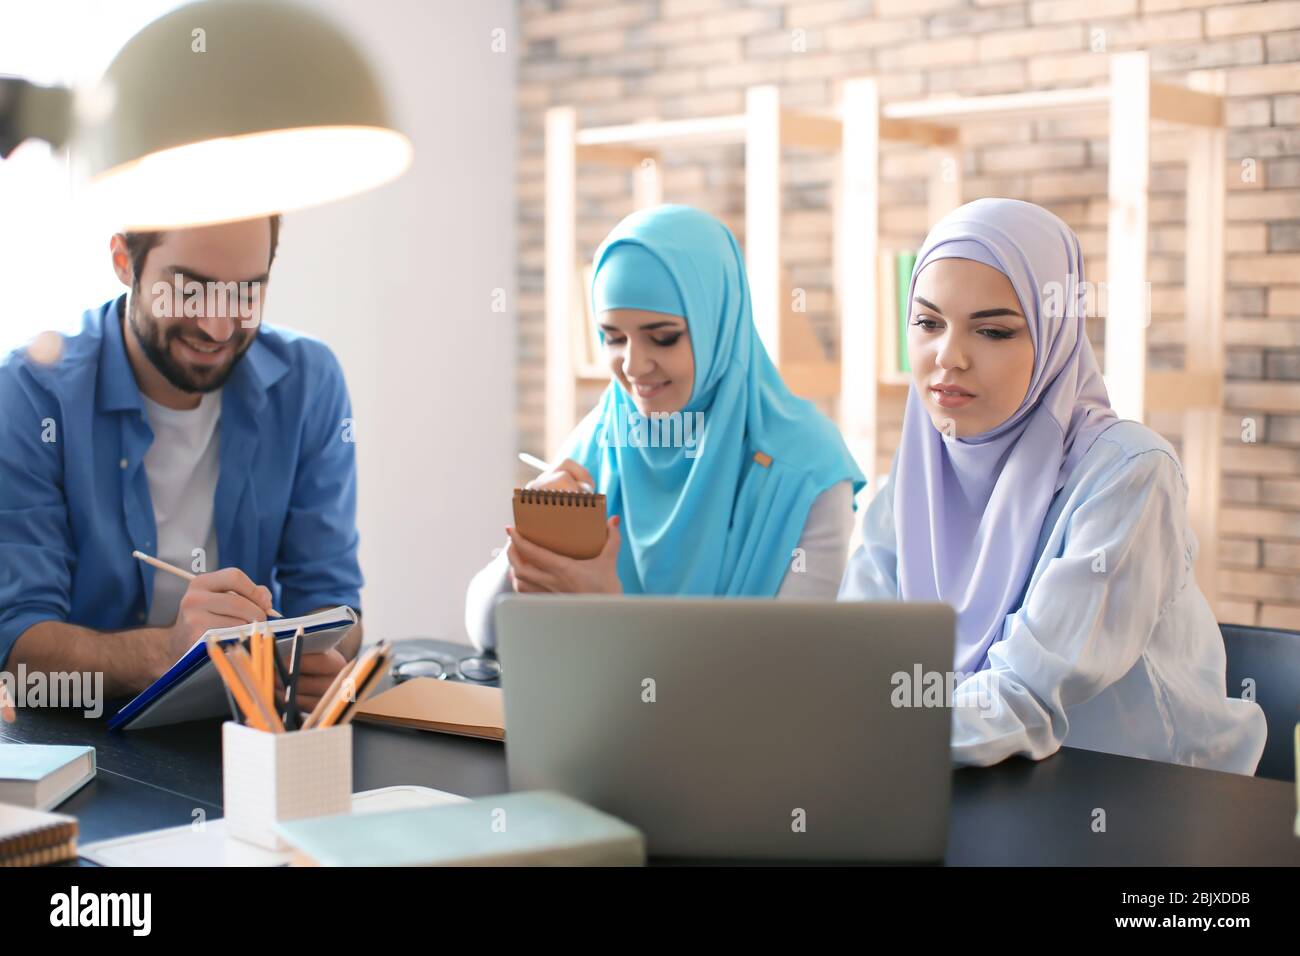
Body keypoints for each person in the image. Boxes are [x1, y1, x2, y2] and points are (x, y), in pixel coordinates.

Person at [838, 197, 1266, 774]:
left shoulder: (1129, 473)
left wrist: (853, 736)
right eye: (928, 322)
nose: (949, 357)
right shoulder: (909, 481)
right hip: (975, 780)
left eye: (992, 331)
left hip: (1153, 793)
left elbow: (1027, 694)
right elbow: (855, 654)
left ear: (1056, 334)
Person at [0, 216, 362, 709]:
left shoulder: (308, 382)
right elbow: (19, 652)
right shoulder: (31, 393)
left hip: (246, 729)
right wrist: (167, 652)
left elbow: (332, 599)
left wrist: (318, 655)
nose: (218, 328)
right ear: (125, 262)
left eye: (246, 292)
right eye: (191, 291)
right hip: (80, 742)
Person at [466, 204, 865, 651]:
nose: (634, 366)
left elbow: (789, 671)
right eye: (613, 337)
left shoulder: (808, 469)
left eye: (663, 337)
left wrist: (604, 608)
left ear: (719, 324)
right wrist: (532, 533)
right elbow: (488, 636)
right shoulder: (604, 434)